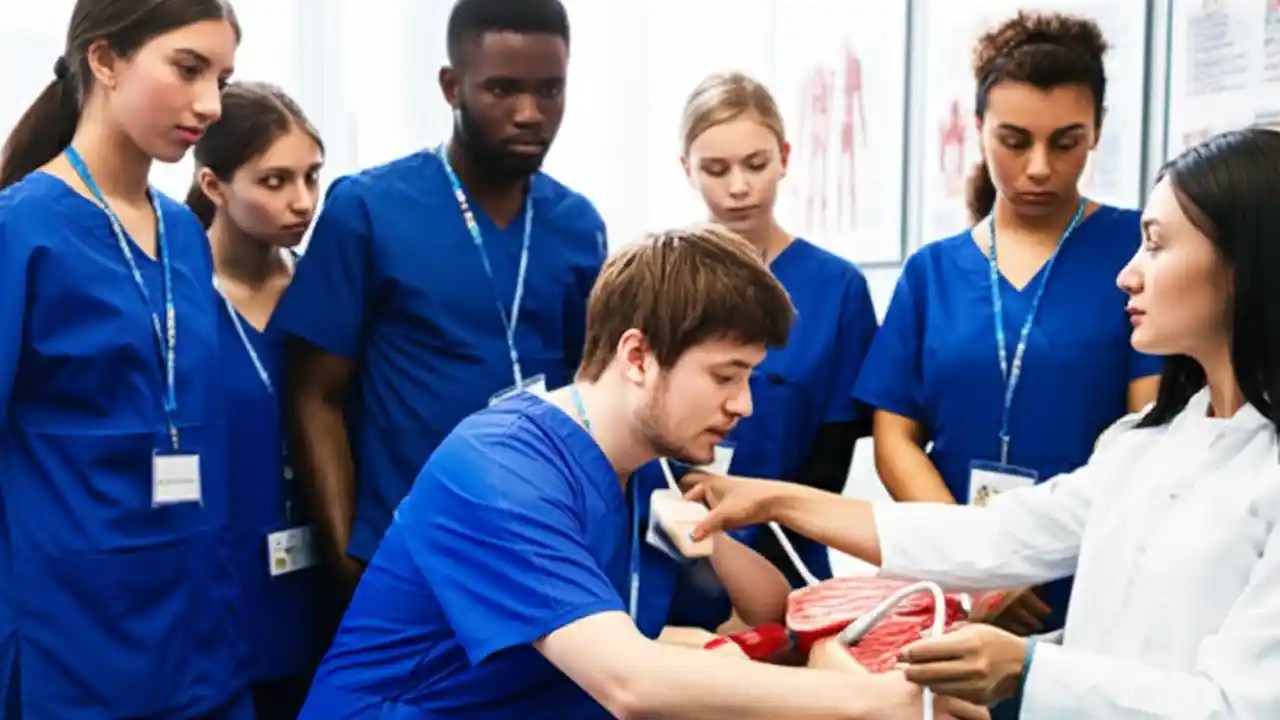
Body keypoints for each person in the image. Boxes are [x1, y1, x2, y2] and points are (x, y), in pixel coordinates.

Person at [686, 127, 1280, 718]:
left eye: (1155, 244)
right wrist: (774, 502)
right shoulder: (1148, 442)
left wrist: (1028, 669)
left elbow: (1237, 706)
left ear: (1243, 261)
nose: (1127, 274)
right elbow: (994, 538)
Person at [298, 224, 986, 720]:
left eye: (749, 378)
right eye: (725, 376)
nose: (743, 405)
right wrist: (881, 703)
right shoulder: (501, 468)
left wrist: (720, 531)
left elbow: (762, 610)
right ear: (637, 357)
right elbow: (631, 681)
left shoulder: (644, 469)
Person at [271, 0, 607, 597]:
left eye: (550, 90)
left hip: (537, 552)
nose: (530, 114)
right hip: (401, 555)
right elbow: (315, 394)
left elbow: (594, 399)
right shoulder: (368, 210)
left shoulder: (579, 226)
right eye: (502, 89)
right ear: (452, 87)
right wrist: (348, 558)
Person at [851, 11, 1162, 641]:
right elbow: (894, 441)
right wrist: (978, 570)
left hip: (1089, 569)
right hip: (950, 585)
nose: (1040, 167)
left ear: (1097, 131)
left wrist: (1030, 554)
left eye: (1066, 141)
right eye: (1015, 141)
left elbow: (1147, 433)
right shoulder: (932, 272)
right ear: (977, 129)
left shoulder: (1138, 252)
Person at [0, 1, 250, 718]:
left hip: (197, 622)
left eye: (224, 79)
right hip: (69, 634)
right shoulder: (22, 229)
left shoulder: (183, 231)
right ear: (104, 61)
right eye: (188, 68)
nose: (210, 104)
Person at [672, 72, 877, 601]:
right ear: (686, 171)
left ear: (785, 156)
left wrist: (762, 536)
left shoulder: (837, 290)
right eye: (716, 170)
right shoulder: (663, 282)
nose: (739, 187)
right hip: (674, 544)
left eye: (756, 164)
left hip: (789, 553)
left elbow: (833, 454)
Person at [187, 81, 326, 720]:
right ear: (214, 185)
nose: (302, 202)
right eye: (274, 181)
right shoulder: (176, 297)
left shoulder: (325, 294)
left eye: (312, 177)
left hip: (316, 586)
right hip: (211, 592)